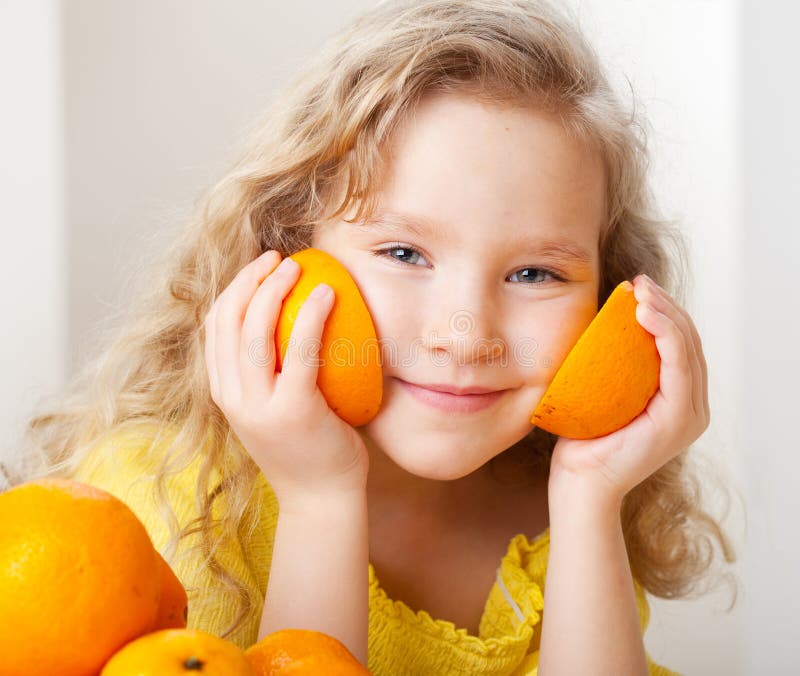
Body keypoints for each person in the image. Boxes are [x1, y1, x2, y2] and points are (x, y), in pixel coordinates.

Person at [8, 0, 738, 673]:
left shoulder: (559, 533)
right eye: (404, 254)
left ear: (610, 298)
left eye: (535, 274)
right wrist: (318, 499)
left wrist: (589, 493)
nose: (465, 337)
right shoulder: (160, 505)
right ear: (285, 257)